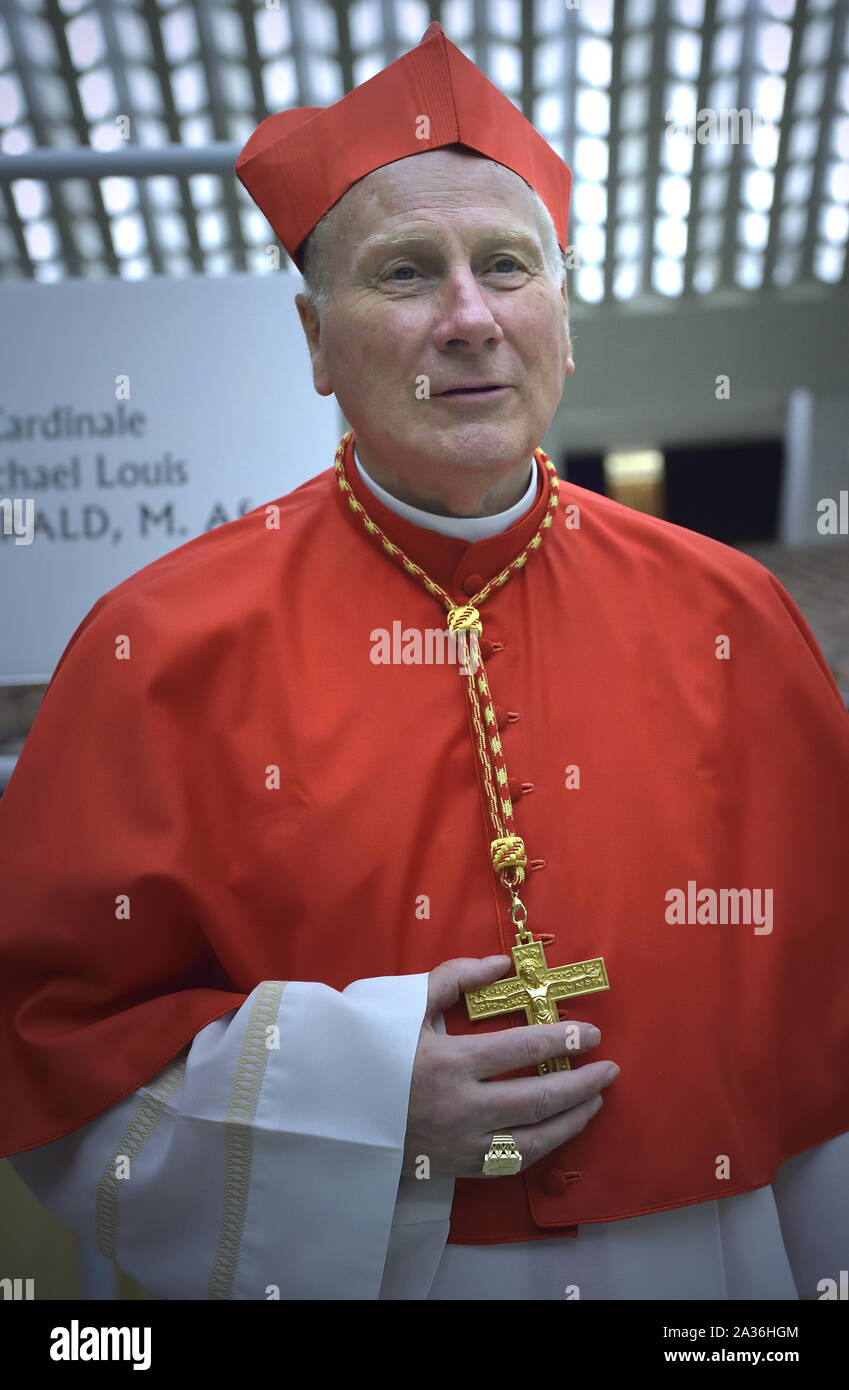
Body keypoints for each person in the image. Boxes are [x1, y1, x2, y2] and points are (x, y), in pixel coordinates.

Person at [2, 23, 848, 1302]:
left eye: (507, 265)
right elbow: (46, 1038)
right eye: (405, 274)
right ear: (314, 339)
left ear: (562, 315)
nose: (469, 319)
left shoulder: (732, 612)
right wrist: (358, 1106)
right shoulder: (155, 647)